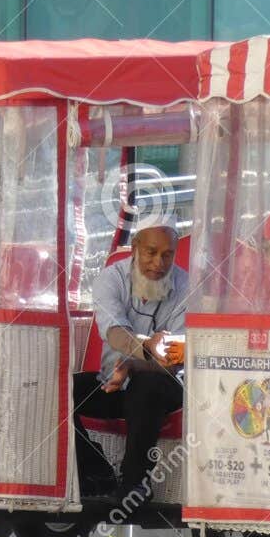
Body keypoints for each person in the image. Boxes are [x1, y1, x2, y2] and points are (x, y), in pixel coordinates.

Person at [71, 215, 188, 507]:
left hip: (167, 386)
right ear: (135, 247)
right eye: (151, 252)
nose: (159, 263)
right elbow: (114, 332)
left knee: (147, 385)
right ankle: (95, 470)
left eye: (167, 254)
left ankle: (135, 484)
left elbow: (174, 360)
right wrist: (144, 347)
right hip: (112, 382)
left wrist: (133, 365)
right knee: (60, 392)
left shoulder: (186, 286)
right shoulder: (111, 279)